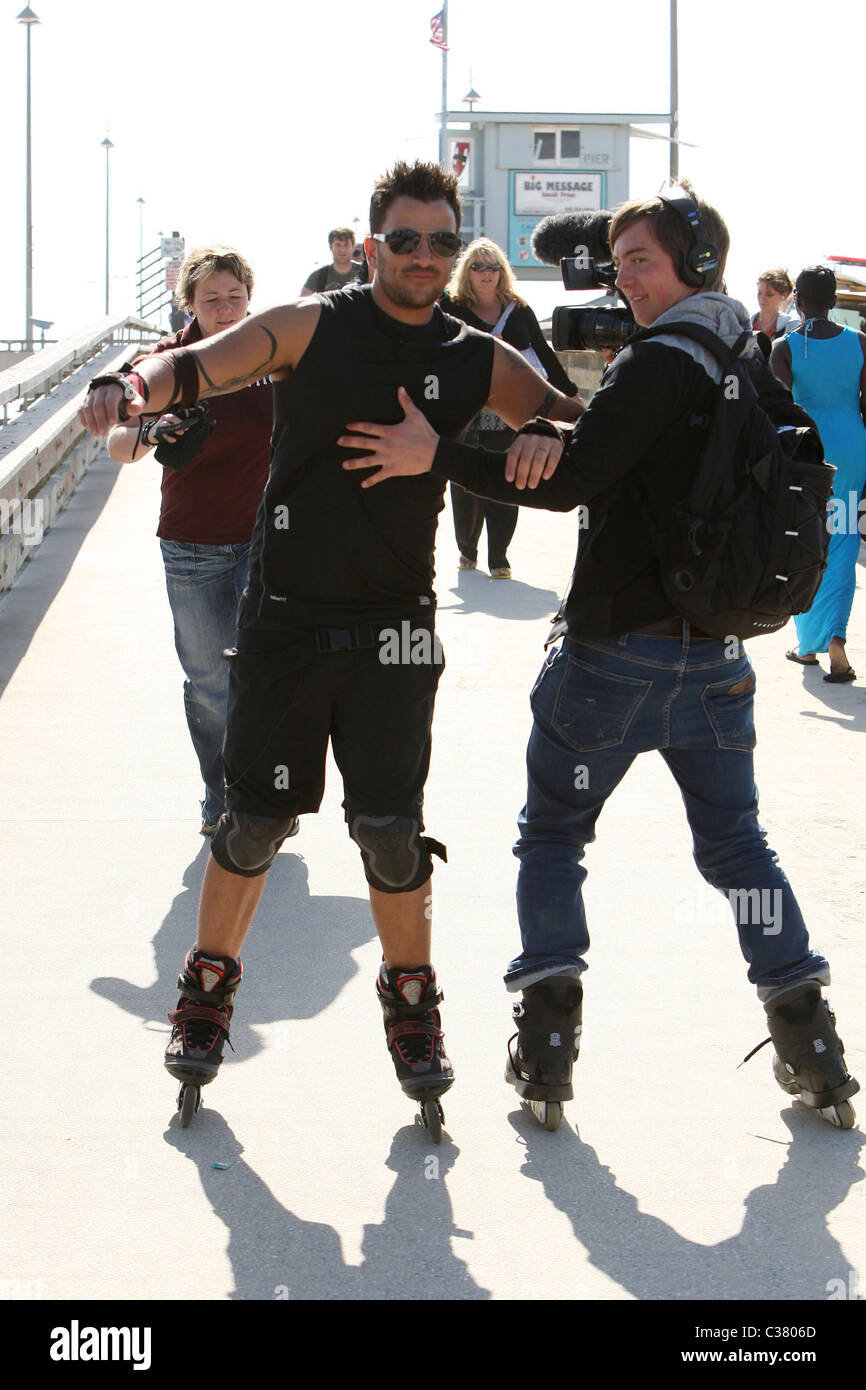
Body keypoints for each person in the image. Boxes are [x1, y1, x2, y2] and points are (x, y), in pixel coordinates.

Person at [341, 183, 860, 1131]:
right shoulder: (743, 347)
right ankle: (812, 1043)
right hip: (713, 662)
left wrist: (436, 453)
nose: (626, 283)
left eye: (642, 264)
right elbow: (658, 449)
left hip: (611, 660)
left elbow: (575, 481)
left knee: (551, 839)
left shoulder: (659, 360)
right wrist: (573, 423)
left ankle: (546, 1048)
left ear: (691, 266)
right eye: (618, 265)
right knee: (739, 849)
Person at [79, 160, 583, 1133]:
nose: (426, 258)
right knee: (255, 819)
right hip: (289, 620)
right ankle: (207, 987)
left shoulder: (477, 356)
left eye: (443, 241)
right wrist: (126, 380)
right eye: (406, 241)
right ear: (376, 240)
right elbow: (201, 363)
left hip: (395, 627)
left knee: (390, 830)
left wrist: (521, 445)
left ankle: (411, 1005)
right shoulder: (315, 326)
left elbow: (578, 427)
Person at [106, 246, 274, 834]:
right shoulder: (170, 360)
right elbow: (118, 443)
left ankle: (263, 793)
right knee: (209, 684)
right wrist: (152, 430)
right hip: (193, 544)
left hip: (266, 541)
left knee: (265, 671)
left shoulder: (272, 353)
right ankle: (219, 790)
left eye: (235, 297)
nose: (226, 310)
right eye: (212, 300)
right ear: (191, 305)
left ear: (249, 297)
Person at [441, 237, 579, 578]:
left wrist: (570, 395)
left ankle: (499, 555)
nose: (486, 274)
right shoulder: (450, 306)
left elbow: (545, 355)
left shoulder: (518, 308)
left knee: (510, 474)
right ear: (466, 273)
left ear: (502, 272)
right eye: (478, 267)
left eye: (493, 267)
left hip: (509, 408)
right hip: (465, 405)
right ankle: (467, 548)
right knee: (462, 479)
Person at [771, 266, 866, 682]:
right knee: (844, 537)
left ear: (798, 298)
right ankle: (836, 638)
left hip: (807, 448)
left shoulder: (784, 347)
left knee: (806, 534)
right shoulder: (860, 342)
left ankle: (810, 643)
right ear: (832, 301)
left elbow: (777, 409)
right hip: (852, 443)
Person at [300, 227, 361, 296]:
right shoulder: (320, 276)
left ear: (353, 246)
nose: (342, 250)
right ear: (330, 247)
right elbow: (302, 301)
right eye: (338, 245)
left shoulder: (365, 271)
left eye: (346, 245)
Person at [752, 268, 798, 340]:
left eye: (769, 294)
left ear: (783, 295)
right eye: (759, 293)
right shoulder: (747, 323)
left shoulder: (790, 326)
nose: (762, 298)